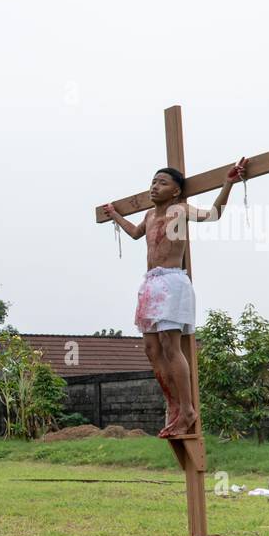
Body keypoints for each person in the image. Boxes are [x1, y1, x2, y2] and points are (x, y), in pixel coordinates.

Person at [103, 158, 247, 437]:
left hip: (172, 281)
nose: (155, 187)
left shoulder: (179, 210)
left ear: (176, 191)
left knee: (171, 345)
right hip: (150, 283)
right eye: (153, 182)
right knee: (151, 349)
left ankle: (188, 408)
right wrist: (114, 214)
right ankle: (174, 406)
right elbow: (134, 234)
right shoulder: (148, 216)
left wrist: (227, 183)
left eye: (162, 182)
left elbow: (214, 214)